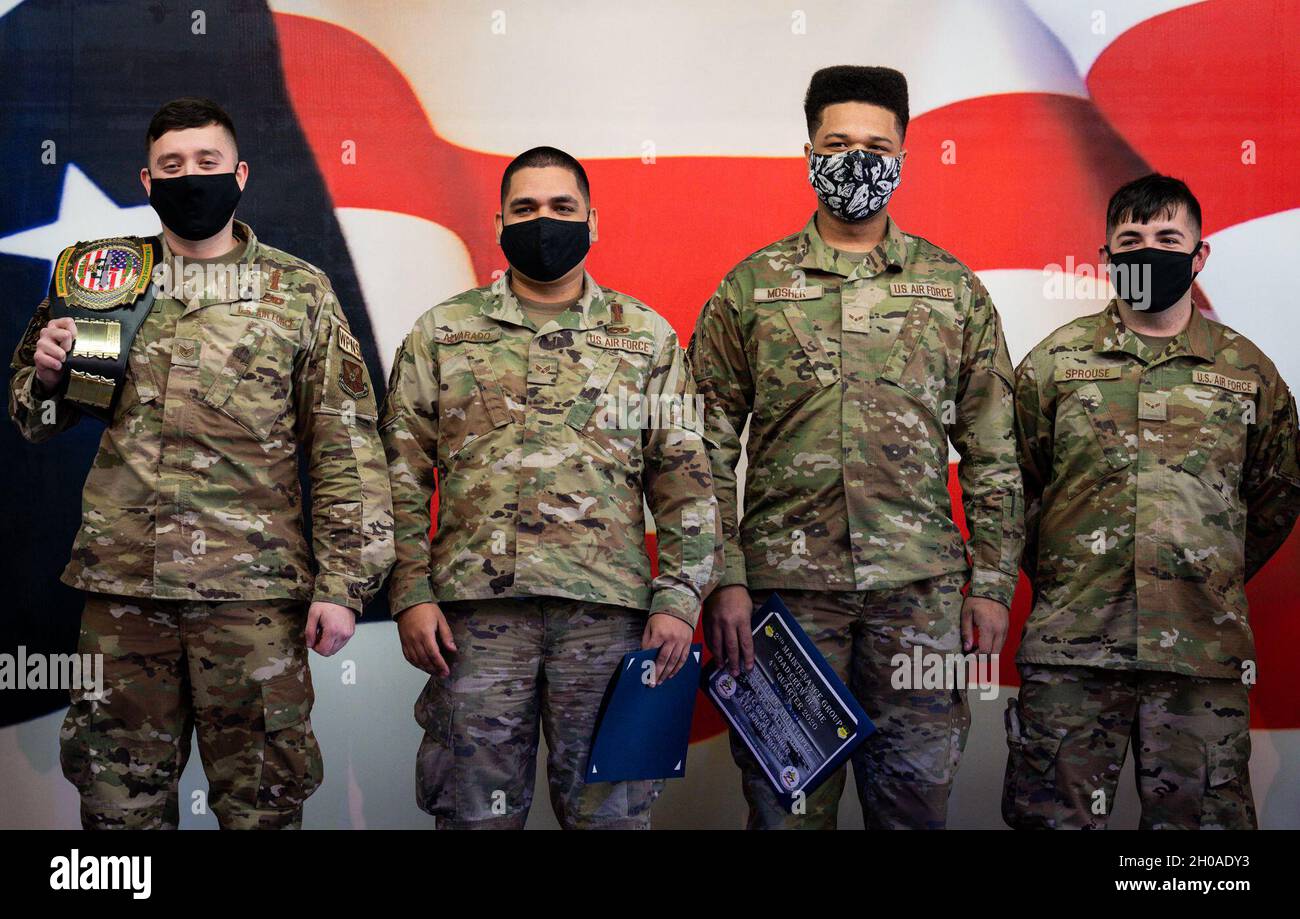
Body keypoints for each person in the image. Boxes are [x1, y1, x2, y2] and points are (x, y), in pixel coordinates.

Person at [7, 97, 393, 829]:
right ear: (147, 183)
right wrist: (50, 378)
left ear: (240, 173)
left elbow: (346, 448)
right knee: (118, 811)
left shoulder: (298, 291)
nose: (191, 177)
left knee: (263, 806)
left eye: (207, 163)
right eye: (172, 166)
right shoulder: (101, 277)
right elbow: (32, 418)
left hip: (251, 605)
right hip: (123, 599)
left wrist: (345, 584)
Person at [688, 66, 1023, 829]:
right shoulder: (750, 288)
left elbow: (994, 449)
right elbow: (699, 446)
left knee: (914, 807)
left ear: (904, 156)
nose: (857, 160)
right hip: (784, 598)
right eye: (838, 143)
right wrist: (726, 577)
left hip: (924, 597)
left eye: (877, 145)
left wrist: (993, 583)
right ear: (807, 152)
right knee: (788, 809)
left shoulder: (953, 289)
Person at [381, 146, 721, 829]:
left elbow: (686, 480)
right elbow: (400, 474)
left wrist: (679, 601)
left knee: (609, 817)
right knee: (474, 815)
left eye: (562, 208)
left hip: (608, 619)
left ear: (592, 221)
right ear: (497, 221)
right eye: (526, 208)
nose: (544, 221)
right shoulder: (443, 334)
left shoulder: (647, 338)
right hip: (474, 621)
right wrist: (410, 590)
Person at [1004, 173, 1300, 829]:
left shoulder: (1247, 373)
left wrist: (1205, 570)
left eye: (1168, 238)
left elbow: (1276, 496)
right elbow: (1010, 489)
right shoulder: (1053, 364)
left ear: (1199, 256)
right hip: (1073, 657)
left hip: (1201, 656)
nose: (1149, 251)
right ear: (1107, 256)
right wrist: (1068, 577)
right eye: (1131, 239)